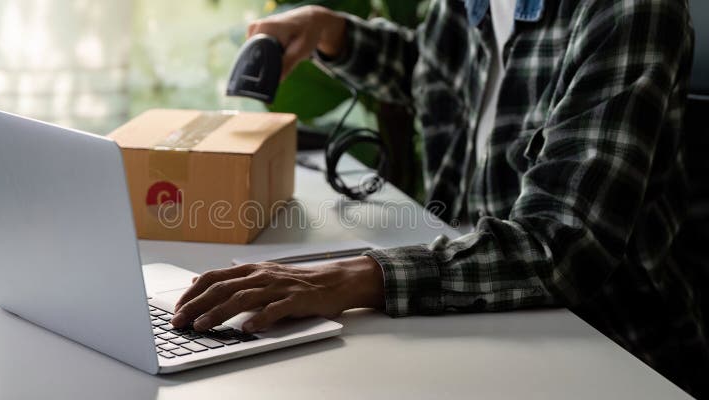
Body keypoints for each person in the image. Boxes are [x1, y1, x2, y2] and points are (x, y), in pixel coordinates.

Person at [170, 0, 708, 396]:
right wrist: (334, 34)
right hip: (476, 319)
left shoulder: (632, 12)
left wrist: (351, 276)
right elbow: (432, 71)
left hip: (610, 354)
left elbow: (561, 246)